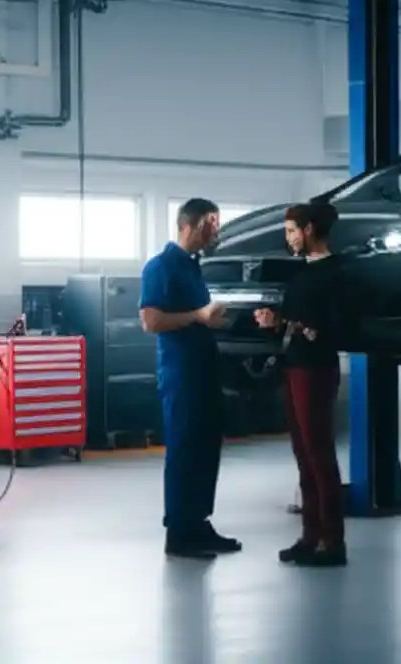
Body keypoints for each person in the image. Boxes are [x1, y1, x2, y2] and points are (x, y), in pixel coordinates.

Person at [139, 198, 241, 559]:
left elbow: (198, 317)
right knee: (184, 449)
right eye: (214, 222)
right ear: (193, 223)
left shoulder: (194, 267)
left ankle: (199, 522)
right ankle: (179, 532)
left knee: (206, 447)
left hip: (204, 368)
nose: (217, 230)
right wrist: (199, 315)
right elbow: (151, 321)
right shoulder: (161, 267)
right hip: (181, 372)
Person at [254, 201, 350, 567]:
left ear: (310, 229)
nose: (288, 238)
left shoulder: (335, 272)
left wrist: (306, 325)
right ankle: (311, 536)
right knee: (303, 454)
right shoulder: (300, 275)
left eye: (292, 231)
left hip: (316, 369)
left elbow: (336, 324)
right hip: (294, 366)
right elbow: (295, 320)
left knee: (319, 454)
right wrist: (275, 321)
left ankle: (333, 541)